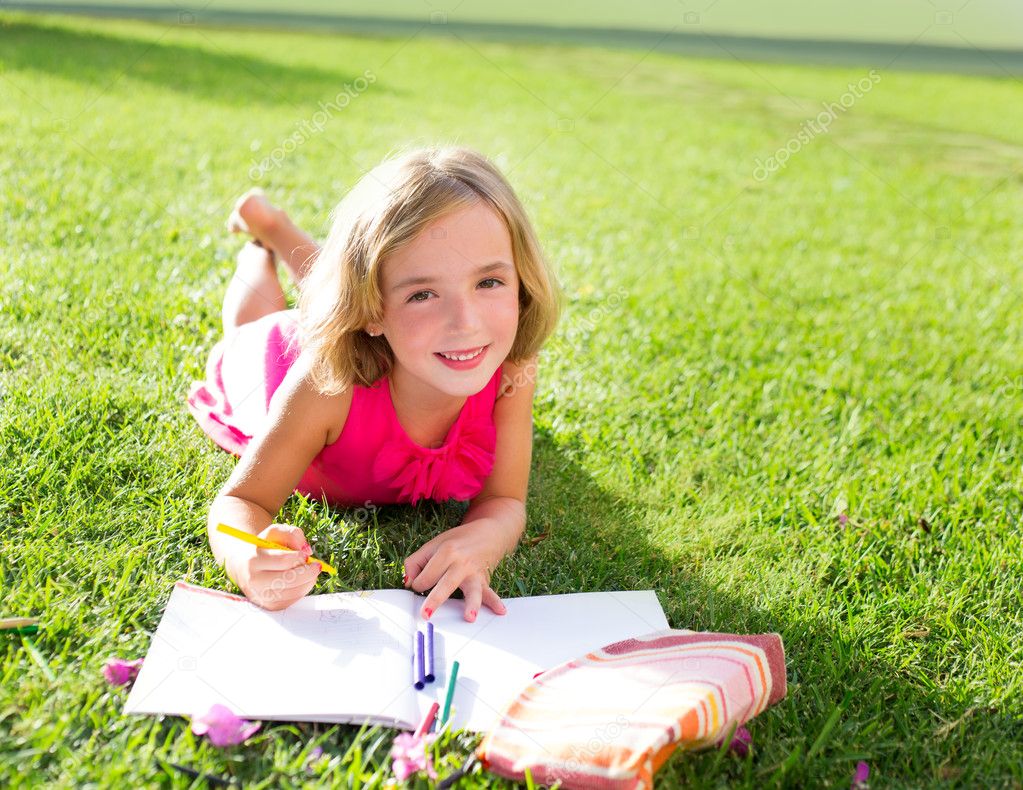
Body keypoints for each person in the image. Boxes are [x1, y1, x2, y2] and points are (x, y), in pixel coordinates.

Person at [188, 146, 563, 621]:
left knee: (343, 284)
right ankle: (260, 247)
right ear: (371, 313)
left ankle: (276, 225)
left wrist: (486, 537)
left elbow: (504, 500)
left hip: (365, 313)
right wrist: (248, 557)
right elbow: (240, 502)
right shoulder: (325, 388)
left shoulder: (512, 369)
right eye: (423, 294)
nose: (465, 323)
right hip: (275, 361)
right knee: (255, 322)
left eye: (488, 282)